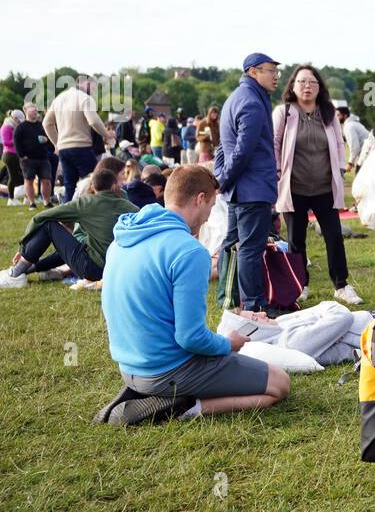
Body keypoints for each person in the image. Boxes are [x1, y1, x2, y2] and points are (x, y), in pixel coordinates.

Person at [97, 165, 290, 426]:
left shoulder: (122, 239)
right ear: (200, 199)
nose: (209, 218)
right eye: (210, 207)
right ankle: (182, 406)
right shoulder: (189, 251)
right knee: (280, 384)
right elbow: (190, 337)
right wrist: (227, 344)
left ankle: (153, 394)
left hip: (129, 367)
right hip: (166, 370)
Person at [272, 64, 362, 306]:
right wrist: (277, 174)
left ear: (320, 87)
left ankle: (341, 285)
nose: (307, 86)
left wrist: (341, 169)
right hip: (294, 188)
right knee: (296, 240)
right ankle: (300, 285)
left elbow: (338, 144)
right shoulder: (284, 112)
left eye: (312, 82)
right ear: (292, 85)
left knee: (334, 236)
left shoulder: (328, 111)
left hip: (324, 187)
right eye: (301, 82)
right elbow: (275, 143)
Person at [0, 167, 137, 289]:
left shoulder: (86, 204)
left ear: (92, 187)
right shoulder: (131, 207)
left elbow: (39, 218)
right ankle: (24, 270)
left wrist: (23, 248)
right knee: (77, 244)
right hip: (117, 270)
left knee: (49, 226)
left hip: (93, 269)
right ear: (114, 186)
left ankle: (15, 274)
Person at [214, 53, 281, 314]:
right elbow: (242, 151)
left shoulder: (237, 97)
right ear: (253, 72)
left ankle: (228, 299)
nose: (276, 76)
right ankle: (254, 305)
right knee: (250, 250)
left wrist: (223, 179)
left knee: (232, 244)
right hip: (251, 189)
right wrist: (224, 179)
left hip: (240, 188)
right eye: (271, 71)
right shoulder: (252, 102)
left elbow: (223, 148)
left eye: (277, 72)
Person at [44, 75, 114, 204]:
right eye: (93, 86)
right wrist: (107, 134)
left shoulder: (59, 99)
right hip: (82, 147)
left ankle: (66, 220)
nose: (94, 89)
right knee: (95, 183)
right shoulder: (85, 99)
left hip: (64, 149)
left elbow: (46, 123)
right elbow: (93, 120)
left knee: (69, 186)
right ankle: (94, 215)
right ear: (86, 83)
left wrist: (57, 143)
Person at [15, 103, 54, 209]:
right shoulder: (21, 127)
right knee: (29, 181)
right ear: (25, 111)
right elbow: (17, 142)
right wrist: (22, 156)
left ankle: (47, 201)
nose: (35, 112)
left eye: (36, 110)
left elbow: (50, 141)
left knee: (46, 180)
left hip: (43, 157)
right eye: (32, 110)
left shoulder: (42, 126)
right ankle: (32, 202)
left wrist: (47, 142)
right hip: (28, 159)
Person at [0, 110, 24, 205]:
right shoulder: (6, 127)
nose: (19, 122)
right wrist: (17, 140)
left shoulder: (13, 127)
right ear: (14, 118)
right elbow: (6, 142)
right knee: (13, 177)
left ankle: (14, 197)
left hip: (14, 154)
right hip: (9, 155)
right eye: (18, 120)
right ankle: (11, 198)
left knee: (18, 176)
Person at [339, 104, 369, 172]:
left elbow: (355, 148)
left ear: (345, 116)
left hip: (366, 156)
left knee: (360, 179)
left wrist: (350, 163)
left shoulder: (349, 126)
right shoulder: (352, 123)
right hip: (366, 155)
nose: (336, 118)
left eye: (338, 115)